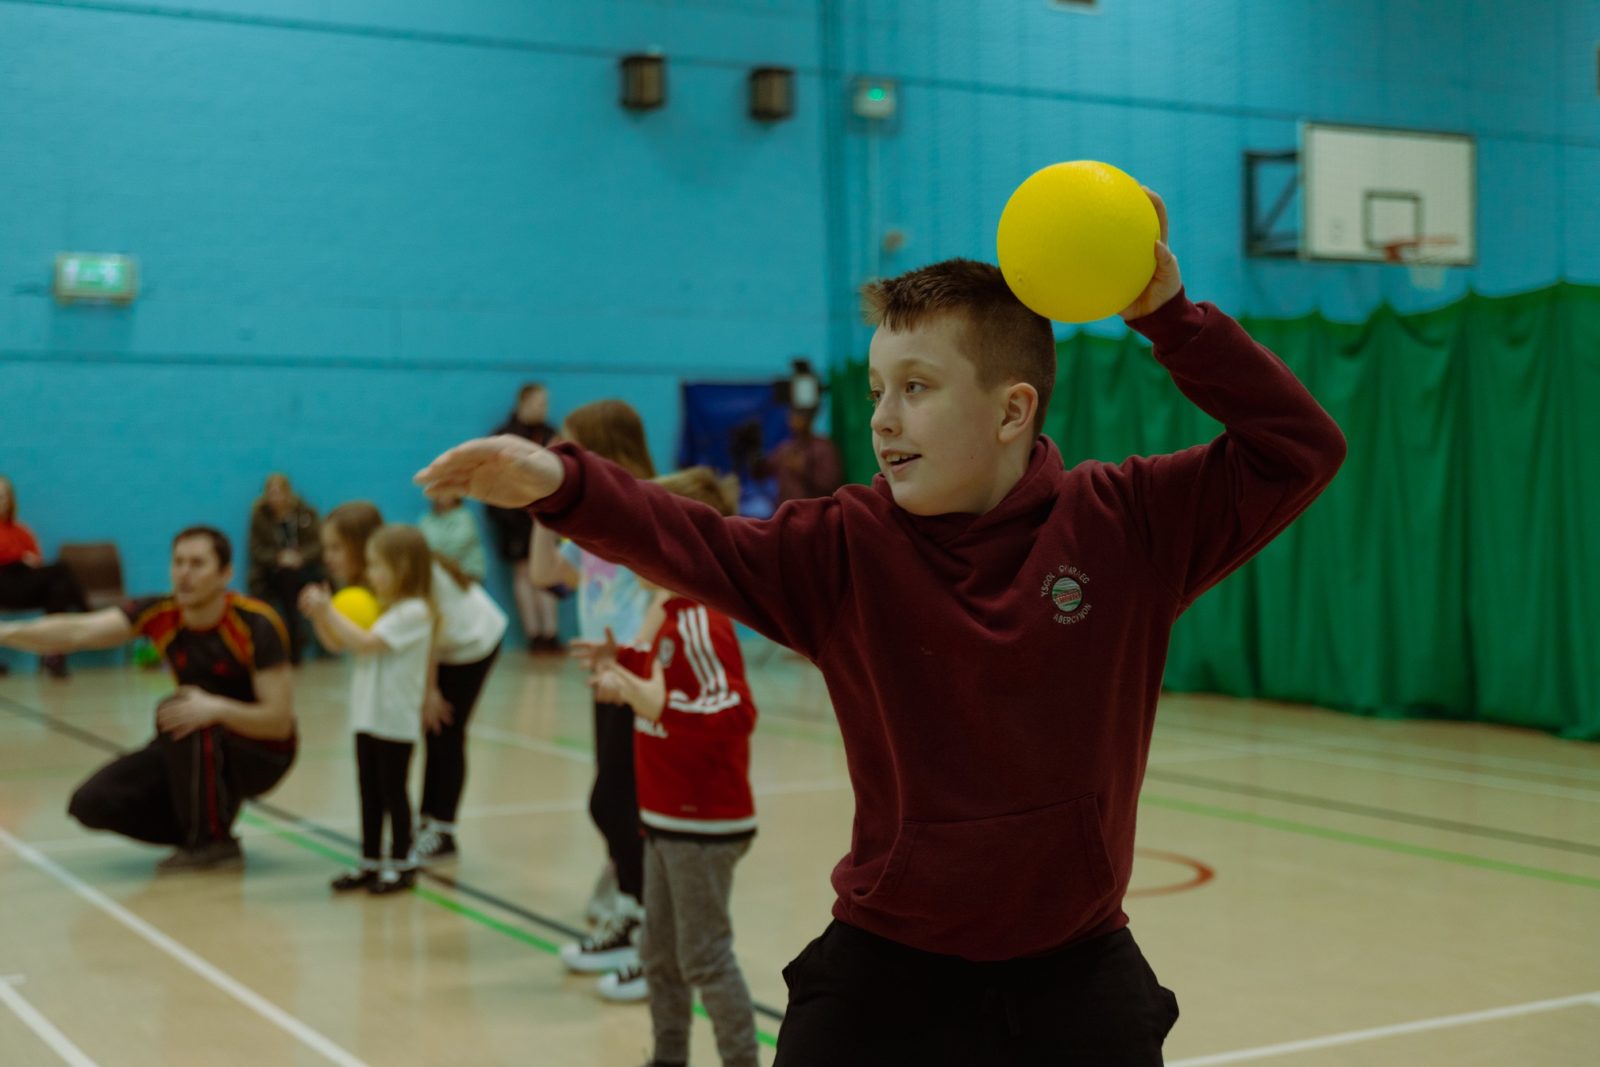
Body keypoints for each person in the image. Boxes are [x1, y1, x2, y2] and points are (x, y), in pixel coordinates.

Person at [416, 190, 1347, 1064]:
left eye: (917, 388)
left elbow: (1300, 447)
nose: (883, 420)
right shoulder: (842, 546)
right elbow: (694, 540)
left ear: (1013, 409)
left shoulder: (1128, 523)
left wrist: (1170, 316)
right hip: (889, 966)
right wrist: (561, 482)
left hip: (1075, 966)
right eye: (875, 389)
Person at [574, 467, 760, 1067]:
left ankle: (741, 1059)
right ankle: (669, 1055)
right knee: (658, 952)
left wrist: (655, 701)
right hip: (663, 816)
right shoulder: (667, 613)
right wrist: (619, 665)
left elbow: (734, 708)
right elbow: (654, 674)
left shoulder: (702, 617)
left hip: (702, 824)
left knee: (704, 955)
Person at [0, 527, 297, 871]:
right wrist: (5, 632)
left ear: (225, 574)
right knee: (92, 802)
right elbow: (78, 631)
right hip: (194, 742)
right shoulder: (161, 613)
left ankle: (211, 843)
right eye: (178, 563)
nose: (184, 573)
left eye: (197, 564)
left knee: (178, 710)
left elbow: (278, 723)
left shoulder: (256, 624)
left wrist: (216, 709)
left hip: (262, 753)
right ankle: (202, 825)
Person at [529, 399, 656, 939]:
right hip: (602, 675)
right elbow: (544, 573)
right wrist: (542, 503)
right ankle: (632, 898)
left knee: (614, 800)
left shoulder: (646, 507)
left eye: (569, 443)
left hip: (635, 675)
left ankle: (643, 910)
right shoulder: (591, 518)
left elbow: (665, 596)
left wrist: (633, 660)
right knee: (616, 799)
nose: (559, 452)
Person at [318, 501, 508, 863]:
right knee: (432, 734)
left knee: (445, 731)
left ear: (359, 544)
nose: (328, 556)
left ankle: (442, 830)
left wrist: (430, 690)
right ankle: (425, 823)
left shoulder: (409, 564)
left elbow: (432, 627)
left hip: (472, 640)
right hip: (442, 645)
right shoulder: (377, 573)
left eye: (336, 547)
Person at [301, 524, 434, 895]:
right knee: (369, 791)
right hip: (367, 715)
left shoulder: (415, 612)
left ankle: (403, 863)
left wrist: (330, 610)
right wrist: (320, 616)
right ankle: (371, 861)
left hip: (394, 719)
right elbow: (341, 644)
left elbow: (365, 640)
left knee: (394, 791)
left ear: (403, 567)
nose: (370, 574)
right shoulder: (385, 608)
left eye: (377, 566)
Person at [484, 383, 563, 652]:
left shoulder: (553, 435)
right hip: (513, 519)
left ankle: (551, 633)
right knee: (524, 572)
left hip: (546, 516)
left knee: (547, 571)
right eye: (538, 403)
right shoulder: (503, 437)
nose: (543, 408)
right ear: (523, 404)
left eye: (546, 404)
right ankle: (534, 634)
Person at [0, 474, 89, 678]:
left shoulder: (22, 531)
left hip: (22, 581)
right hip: (3, 584)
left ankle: (52, 653)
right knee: (61, 570)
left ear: (10, 501)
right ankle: (86, 613)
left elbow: (36, 560)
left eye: (3, 497)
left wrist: (23, 559)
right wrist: (19, 555)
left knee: (58, 588)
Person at [246, 473, 323, 665]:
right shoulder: (260, 516)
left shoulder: (305, 513)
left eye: (280, 492)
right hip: (271, 574)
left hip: (304, 570)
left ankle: (297, 637)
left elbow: (318, 544)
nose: (276, 497)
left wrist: (300, 557)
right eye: (271, 493)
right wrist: (279, 558)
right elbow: (256, 551)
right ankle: (294, 638)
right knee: (286, 579)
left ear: (289, 493)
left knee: (292, 579)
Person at [763, 406, 844, 505]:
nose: (794, 421)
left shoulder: (823, 448)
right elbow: (764, 470)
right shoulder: (785, 448)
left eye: (799, 416)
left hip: (814, 512)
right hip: (786, 513)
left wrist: (804, 469)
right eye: (792, 417)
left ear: (809, 420)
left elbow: (831, 484)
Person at [418, 489, 488, 580]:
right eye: (438, 493)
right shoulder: (426, 519)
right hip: (437, 574)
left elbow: (460, 543)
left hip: (467, 573)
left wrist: (438, 555)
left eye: (446, 492)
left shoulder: (465, 516)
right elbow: (422, 544)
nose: (441, 496)